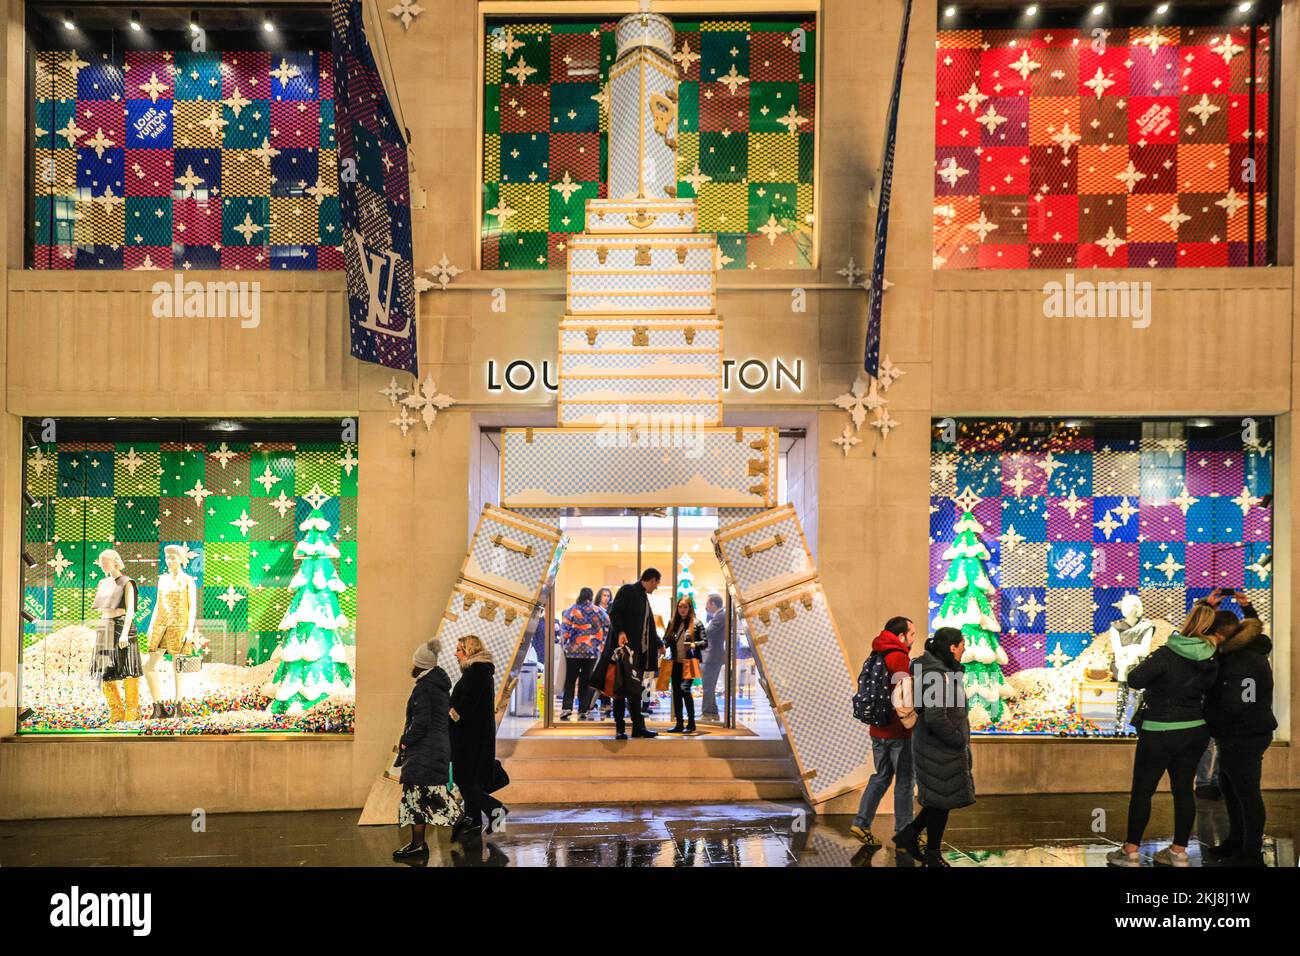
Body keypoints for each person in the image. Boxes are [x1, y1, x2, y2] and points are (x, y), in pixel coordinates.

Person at [1107, 601, 1220, 867]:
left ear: (1187, 624)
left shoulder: (1168, 653)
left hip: (1159, 730)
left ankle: (1130, 850)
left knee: (1143, 791)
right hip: (1194, 730)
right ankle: (1179, 852)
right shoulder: (1213, 657)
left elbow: (1135, 679)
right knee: (1183, 790)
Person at [1205, 592, 1277, 867]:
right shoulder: (1252, 648)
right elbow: (1252, 629)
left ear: (1222, 636)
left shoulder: (1240, 661)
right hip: (1243, 732)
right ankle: (1237, 841)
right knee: (1233, 788)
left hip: (1242, 734)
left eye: (1213, 636)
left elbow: (1237, 704)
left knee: (1245, 793)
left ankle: (1250, 850)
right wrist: (1248, 608)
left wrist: (1209, 721)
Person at [892, 627, 973, 867]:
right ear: (952, 647)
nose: (964, 648)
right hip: (939, 748)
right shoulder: (937, 674)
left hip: (936, 748)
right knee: (941, 801)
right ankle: (930, 853)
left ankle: (919, 844)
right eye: (962, 644)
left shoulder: (938, 671)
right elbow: (936, 717)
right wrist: (958, 739)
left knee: (941, 800)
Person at [850, 616, 917, 848]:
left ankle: (861, 822)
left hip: (877, 729)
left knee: (881, 776)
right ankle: (904, 832)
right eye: (911, 634)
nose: (913, 639)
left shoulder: (877, 652)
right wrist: (912, 723)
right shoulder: (899, 657)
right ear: (901, 636)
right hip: (898, 732)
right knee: (906, 782)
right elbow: (904, 696)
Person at [393, 638, 462, 860]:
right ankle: (417, 844)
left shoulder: (425, 688)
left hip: (425, 751)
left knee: (423, 797)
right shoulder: (438, 685)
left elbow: (420, 723)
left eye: (413, 662)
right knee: (419, 798)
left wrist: (406, 740)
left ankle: (462, 824)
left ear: (419, 664)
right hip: (435, 749)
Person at [590, 568, 662, 739]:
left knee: (635, 691)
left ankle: (638, 727)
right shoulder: (629, 590)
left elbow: (648, 625)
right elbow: (614, 613)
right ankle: (620, 729)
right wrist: (621, 632)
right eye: (656, 584)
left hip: (637, 653)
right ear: (651, 580)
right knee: (619, 690)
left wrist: (658, 643)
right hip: (623, 652)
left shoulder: (643, 596)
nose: (656, 588)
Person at [450, 635, 506, 838]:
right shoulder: (479, 671)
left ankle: (496, 811)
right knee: (470, 780)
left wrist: (450, 713)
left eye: (459, 649)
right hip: (475, 737)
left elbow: (465, 707)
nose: (455, 653)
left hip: (470, 739)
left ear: (469, 651)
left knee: (465, 780)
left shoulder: (476, 673)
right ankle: (473, 820)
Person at [660, 595, 708, 734]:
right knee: (676, 692)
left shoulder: (697, 623)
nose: (682, 609)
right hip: (675, 662)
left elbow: (705, 643)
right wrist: (663, 644)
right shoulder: (673, 622)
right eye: (680, 606)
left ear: (689, 608)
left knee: (685, 690)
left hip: (691, 662)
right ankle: (679, 723)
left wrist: (692, 644)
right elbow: (666, 640)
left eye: (685, 607)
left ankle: (691, 723)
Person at [558, 587, 608, 720]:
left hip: (573, 653)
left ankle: (567, 708)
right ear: (591, 597)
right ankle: (583, 710)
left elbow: (565, 630)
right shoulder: (598, 611)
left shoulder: (572, 610)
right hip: (591, 653)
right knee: (585, 681)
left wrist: (565, 644)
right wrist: (601, 642)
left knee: (570, 680)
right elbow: (608, 625)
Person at [699, 593, 726, 720]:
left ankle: (708, 713)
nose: (706, 607)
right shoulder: (719, 616)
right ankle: (713, 712)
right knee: (709, 685)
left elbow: (708, 632)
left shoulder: (720, 616)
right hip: (713, 656)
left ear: (713, 604)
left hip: (712, 656)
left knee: (708, 686)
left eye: (707, 604)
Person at [595, 587, 615, 718]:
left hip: (608, 647)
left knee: (608, 675)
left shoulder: (611, 610)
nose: (606, 598)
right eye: (604, 595)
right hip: (597, 647)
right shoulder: (595, 610)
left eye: (608, 595)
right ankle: (594, 702)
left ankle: (606, 702)